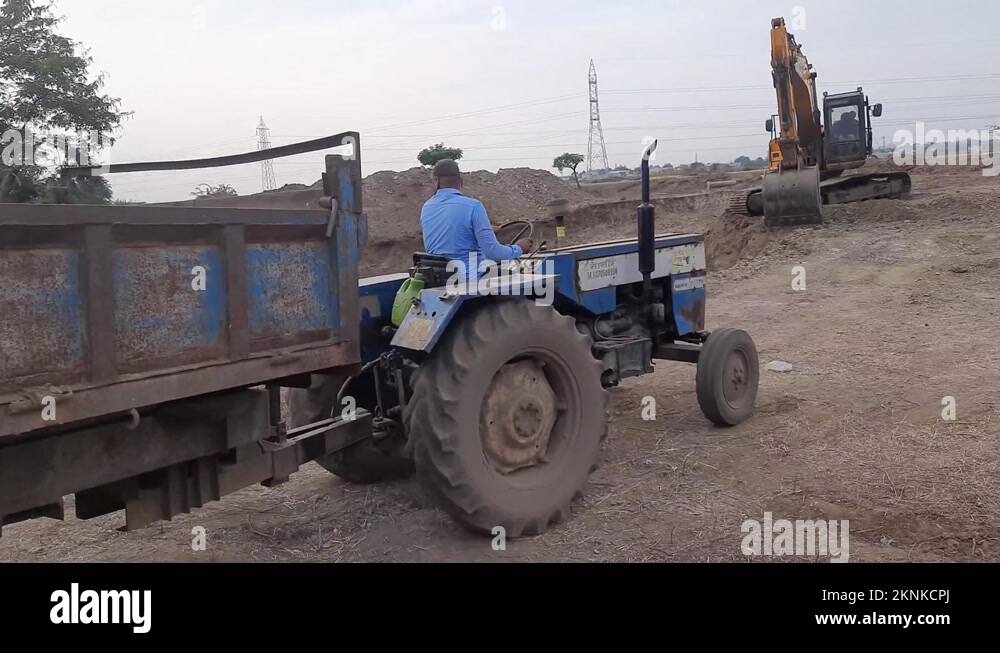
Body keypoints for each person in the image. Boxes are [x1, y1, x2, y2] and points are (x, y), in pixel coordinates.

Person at [420, 159, 533, 279]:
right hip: (470, 279)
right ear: (460, 181)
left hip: (439, 277)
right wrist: (519, 248)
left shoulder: (427, 207)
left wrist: (484, 230)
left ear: (436, 180)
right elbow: (493, 252)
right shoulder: (473, 206)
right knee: (521, 277)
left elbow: (450, 235)